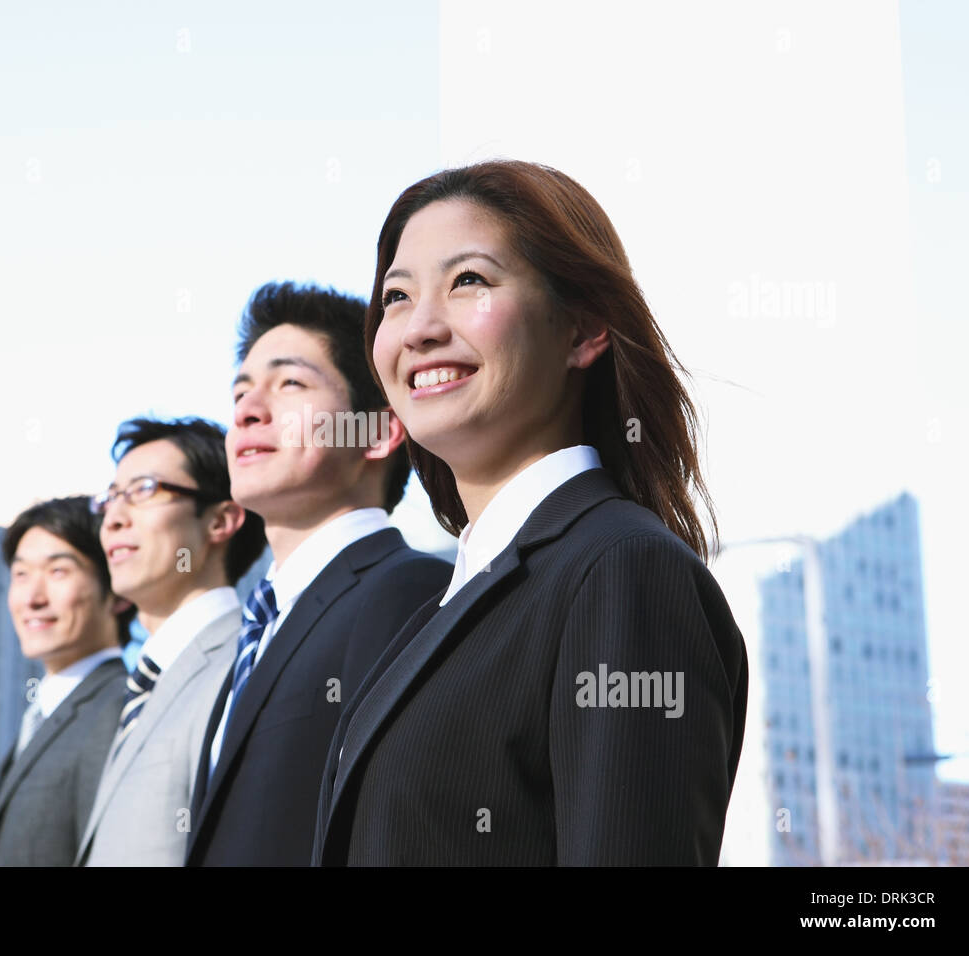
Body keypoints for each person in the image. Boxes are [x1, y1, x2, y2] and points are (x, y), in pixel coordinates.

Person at [313, 160, 749, 866]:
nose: (419, 327)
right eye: (396, 296)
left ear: (583, 329)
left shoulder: (622, 573)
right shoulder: (449, 606)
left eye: (469, 282)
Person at [184, 281, 452, 866]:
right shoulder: (255, 633)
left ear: (378, 431)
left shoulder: (408, 592)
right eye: (240, 392)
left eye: (290, 383)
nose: (249, 410)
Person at [76, 417, 266, 866]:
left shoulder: (248, 665)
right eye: (110, 499)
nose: (114, 519)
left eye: (143, 490)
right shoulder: (138, 687)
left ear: (221, 520)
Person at [0, 496, 131, 866]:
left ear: (116, 592)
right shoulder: (41, 715)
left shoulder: (120, 709)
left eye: (58, 571)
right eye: (21, 574)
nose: (32, 598)